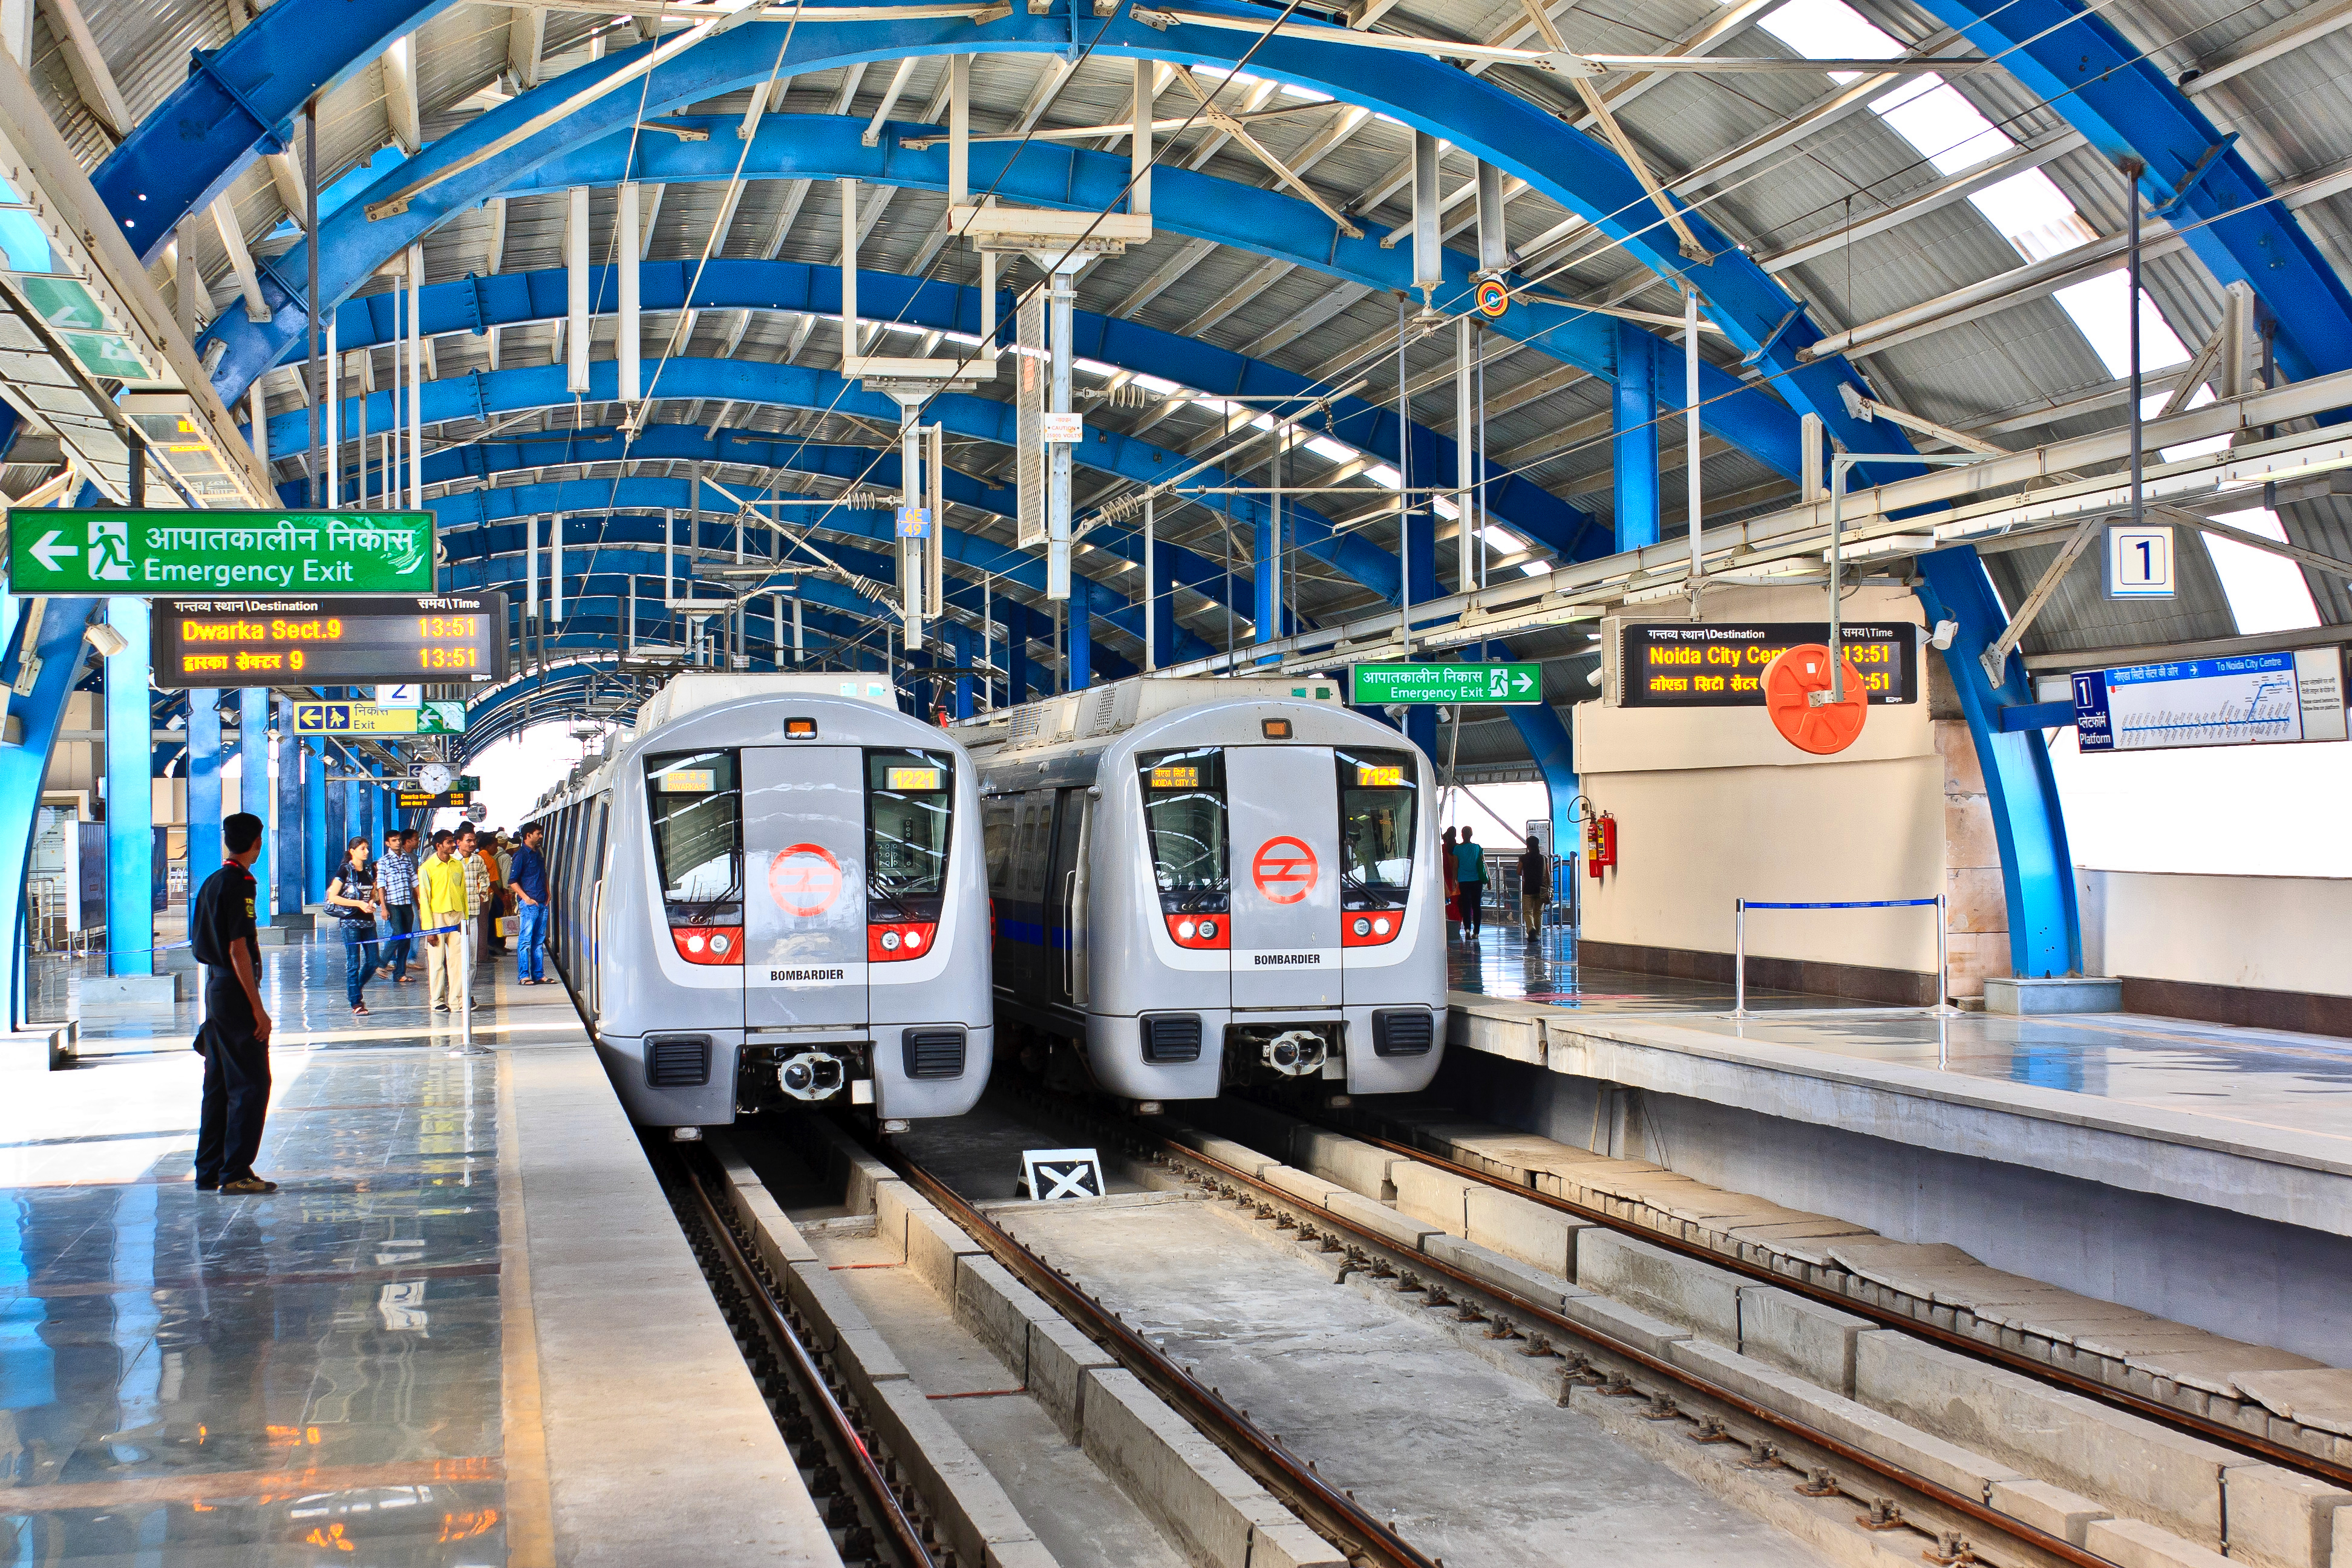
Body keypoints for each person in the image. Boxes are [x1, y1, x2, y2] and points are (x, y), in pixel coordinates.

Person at [191, 812, 276, 1195]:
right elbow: (238, 948)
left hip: (217, 991)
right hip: (235, 993)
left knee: (220, 1083)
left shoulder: (212, 881)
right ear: (256, 843)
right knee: (252, 1082)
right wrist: (257, 1008)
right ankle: (236, 1170)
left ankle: (209, 1169)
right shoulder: (240, 883)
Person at [325, 836, 382, 1015]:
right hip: (350, 923)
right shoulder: (345, 870)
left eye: (367, 848)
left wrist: (373, 901)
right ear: (353, 851)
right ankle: (356, 1002)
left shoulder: (368, 871)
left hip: (368, 921)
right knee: (353, 963)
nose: (366, 852)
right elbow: (333, 896)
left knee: (373, 961)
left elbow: (372, 893)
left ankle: (354, 989)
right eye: (362, 849)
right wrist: (359, 904)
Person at [420, 829, 474, 1013]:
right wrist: (429, 930)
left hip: (458, 917)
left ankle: (457, 1001)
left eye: (453, 842)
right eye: (450, 842)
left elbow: (463, 894)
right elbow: (424, 901)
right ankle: (437, 1001)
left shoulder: (457, 865)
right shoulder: (426, 868)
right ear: (439, 846)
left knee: (458, 961)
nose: (454, 845)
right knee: (437, 962)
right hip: (437, 918)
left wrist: (465, 921)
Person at [510, 823, 549, 985]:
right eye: (538, 834)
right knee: (526, 940)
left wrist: (548, 893)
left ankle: (539, 975)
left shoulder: (537, 853)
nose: (540, 836)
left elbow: (543, 874)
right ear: (528, 836)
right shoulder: (521, 856)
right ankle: (524, 976)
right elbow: (512, 881)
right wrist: (526, 899)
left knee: (539, 940)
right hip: (530, 905)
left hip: (542, 902)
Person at [376, 829, 417, 983]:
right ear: (388, 843)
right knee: (399, 932)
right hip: (392, 904)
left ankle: (400, 973)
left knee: (406, 938)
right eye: (394, 840)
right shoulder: (384, 861)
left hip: (407, 902)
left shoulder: (407, 859)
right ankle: (381, 963)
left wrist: (421, 902)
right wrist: (383, 907)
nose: (398, 842)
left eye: (399, 839)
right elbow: (381, 885)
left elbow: (414, 881)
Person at [1455, 827, 1486, 939]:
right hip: (1477, 881)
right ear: (1471, 835)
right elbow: (1482, 864)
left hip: (1463, 881)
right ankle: (1476, 932)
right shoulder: (1477, 848)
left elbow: (1455, 866)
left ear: (1462, 834)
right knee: (1477, 906)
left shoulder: (1457, 849)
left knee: (1466, 906)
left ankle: (1467, 929)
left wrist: (1455, 880)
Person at [1517, 832, 1549, 938]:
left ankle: (1531, 929)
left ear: (1528, 846)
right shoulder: (1543, 858)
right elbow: (1547, 874)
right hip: (1541, 889)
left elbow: (1518, 871)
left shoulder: (1524, 858)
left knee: (1527, 911)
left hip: (1528, 888)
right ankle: (1538, 934)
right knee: (1538, 912)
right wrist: (1548, 886)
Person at [1440, 826, 1460, 936]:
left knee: (1448, 906)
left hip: (1446, 881)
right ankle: (1457, 926)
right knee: (1457, 906)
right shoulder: (1458, 849)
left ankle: (1449, 927)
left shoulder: (1442, 849)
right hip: (1458, 882)